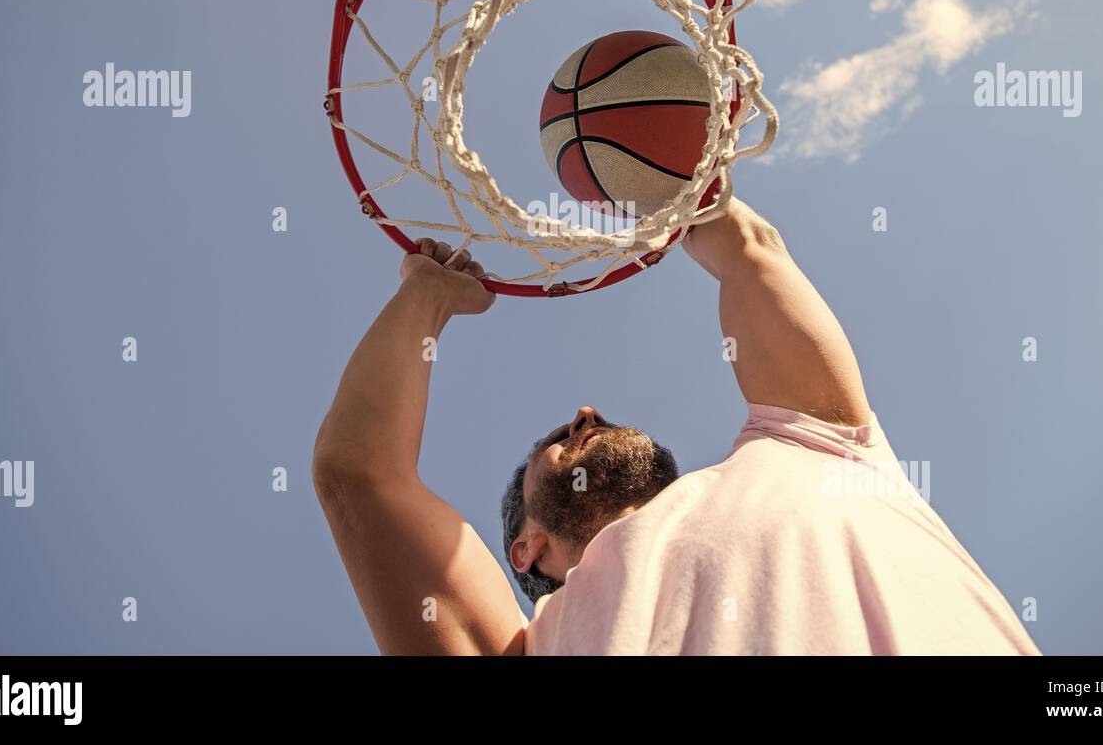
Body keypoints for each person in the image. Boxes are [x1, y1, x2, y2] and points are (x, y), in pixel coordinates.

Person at [312, 198, 1040, 655]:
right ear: (526, 549)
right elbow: (359, 477)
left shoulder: (816, 440)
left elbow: (749, 249)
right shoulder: (521, 650)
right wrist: (426, 299)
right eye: (553, 444)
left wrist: (675, 185)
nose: (586, 413)